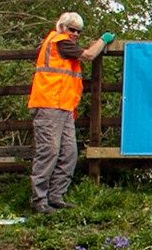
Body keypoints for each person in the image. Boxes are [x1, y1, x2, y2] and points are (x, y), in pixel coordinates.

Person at [28, 12, 109, 213]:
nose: (74, 34)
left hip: (63, 108)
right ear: (62, 27)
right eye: (72, 29)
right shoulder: (59, 42)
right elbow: (89, 55)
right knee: (49, 152)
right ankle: (39, 201)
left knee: (69, 153)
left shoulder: (65, 45)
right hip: (49, 105)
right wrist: (103, 40)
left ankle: (56, 196)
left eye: (78, 31)